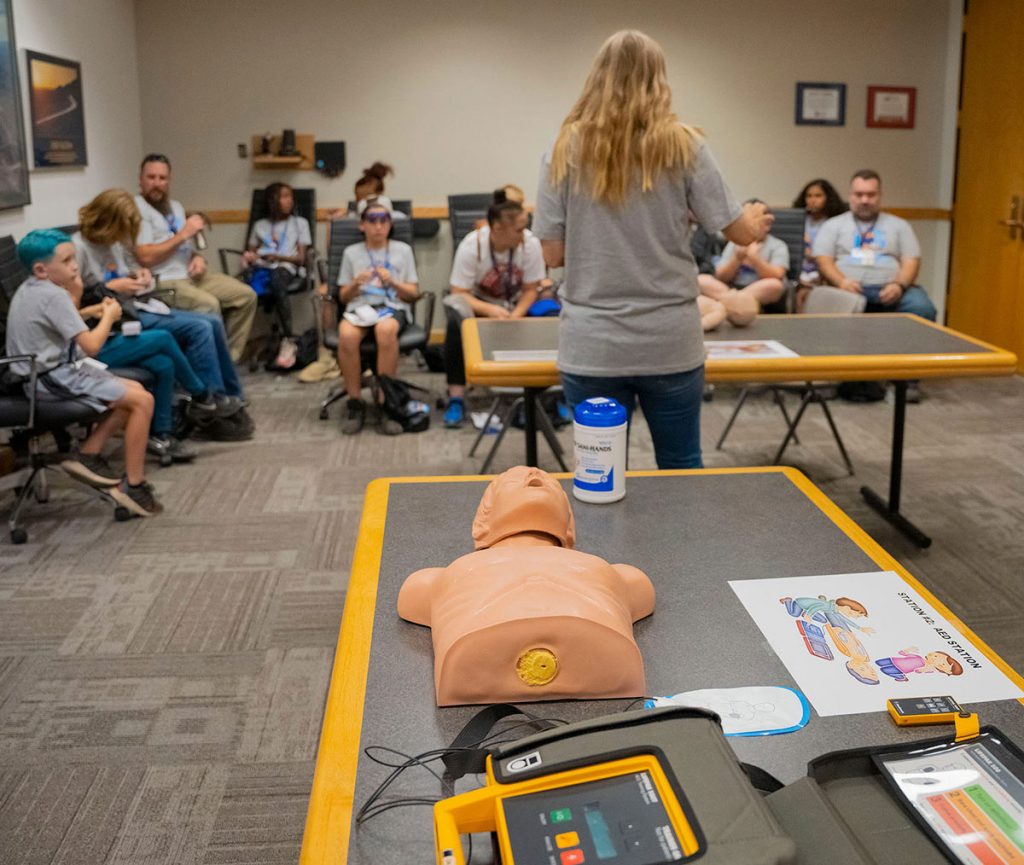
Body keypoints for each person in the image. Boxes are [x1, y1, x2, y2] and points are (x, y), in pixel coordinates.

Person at [532, 29, 771, 469]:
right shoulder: (685, 144)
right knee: (681, 467)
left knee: (600, 478)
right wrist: (752, 222)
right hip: (670, 341)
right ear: (658, 79)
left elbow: (553, 255)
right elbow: (737, 232)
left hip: (593, 343)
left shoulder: (564, 147)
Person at [73, 188, 253, 443]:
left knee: (211, 321)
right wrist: (114, 288)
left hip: (133, 307)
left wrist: (139, 275)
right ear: (106, 220)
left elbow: (130, 268)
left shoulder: (113, 242)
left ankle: (230, 395)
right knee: (200, 327)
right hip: (111, 322)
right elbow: (73, 302)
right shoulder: (77, 249)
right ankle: (210, 403)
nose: (123, 237)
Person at [7, 230, 162, 517]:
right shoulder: (54, 296)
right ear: (42, 269)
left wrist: (90, 310)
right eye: (66, 261)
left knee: (136, 393)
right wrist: (107, 317)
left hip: (40, 375)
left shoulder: (33, 289)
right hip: (50, 379)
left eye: (73, 259)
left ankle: (89, 453)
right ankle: (135, 486)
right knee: (143, 401)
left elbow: (62, 322)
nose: (75, 266)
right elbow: (91, 346)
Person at [813, 169, 936, 401]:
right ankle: (825, 377)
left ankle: (907, 382)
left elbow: (911, 261)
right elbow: (823, 260)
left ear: (880, 196)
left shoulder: (899, 226)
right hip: (846, 288)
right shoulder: (834, 225)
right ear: (850, 196)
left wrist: (899, 285)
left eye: (871, 194)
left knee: (922, 308)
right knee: (821, 303)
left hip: (891, 287)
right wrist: (841, 282)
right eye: (859, 194)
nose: (864, 200)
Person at [132, 154, 257, 361]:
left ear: (169, 181)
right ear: (140, 179)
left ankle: (229, 361)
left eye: (162, 178)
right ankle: (210, 368)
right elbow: (145, 257)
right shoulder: (137, 209)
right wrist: (183, 234)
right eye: (151, 177)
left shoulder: (175, 207)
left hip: (191, 274)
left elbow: (185, 246)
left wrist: (198, 258)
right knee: (209, 304)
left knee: (246, 296)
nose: (157, 184)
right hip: (163, 280)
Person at [442, 199, 544, 428]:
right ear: (497, 228)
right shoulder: (472, 246)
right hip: (482, 306)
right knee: (454, 326)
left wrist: (516, 315)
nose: (523, 233)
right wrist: (490, 310)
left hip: (517, 306)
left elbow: (530, 289)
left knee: (547, 314)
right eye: (518, 229)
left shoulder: (530, 243)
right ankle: (456, 398)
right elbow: (459, 292)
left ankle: (542, 398)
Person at [334, 201, 420, 435]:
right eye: (372, 221)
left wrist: (392, 281)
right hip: (360, 308)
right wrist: (355, 283)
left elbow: (413, 294)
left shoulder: (403, 250)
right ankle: (355, 402)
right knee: (347, 334)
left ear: (390, 224)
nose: (379, 226)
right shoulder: (351, 253)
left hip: (392, 308)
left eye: (384, 221)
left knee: (385, 330)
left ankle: (386, 403)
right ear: (362, 225)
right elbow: (342, 296)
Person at [242, 182, 312, 369]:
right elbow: (251, 252)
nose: (289, 201)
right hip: (262, 267)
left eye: (290, 196)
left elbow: (300, 259)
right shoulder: (260, 225)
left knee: (276, 278)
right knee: (244, 282)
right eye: (284, 196)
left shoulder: (299, 224)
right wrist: (252, 257)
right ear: (273, 201)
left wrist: (277, 256)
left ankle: (288, 338)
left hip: (286, 267)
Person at [701, 200, 788, 310]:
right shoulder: (734, 243)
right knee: (702, 280)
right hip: (731, 288)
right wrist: (737, 258)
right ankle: (737, 302)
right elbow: (720, 276)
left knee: (775, 285)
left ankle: (732, 302)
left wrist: (755, 259)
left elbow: (777, 275)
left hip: (759, 289)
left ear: (767, 225)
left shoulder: (778, 245)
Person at [792, 178, 846, 296]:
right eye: (809, 196)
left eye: (818, 196)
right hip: (800, 269)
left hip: (825, 270)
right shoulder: (798, 220)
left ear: (828, 198)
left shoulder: (836, 223)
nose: (813, 200)